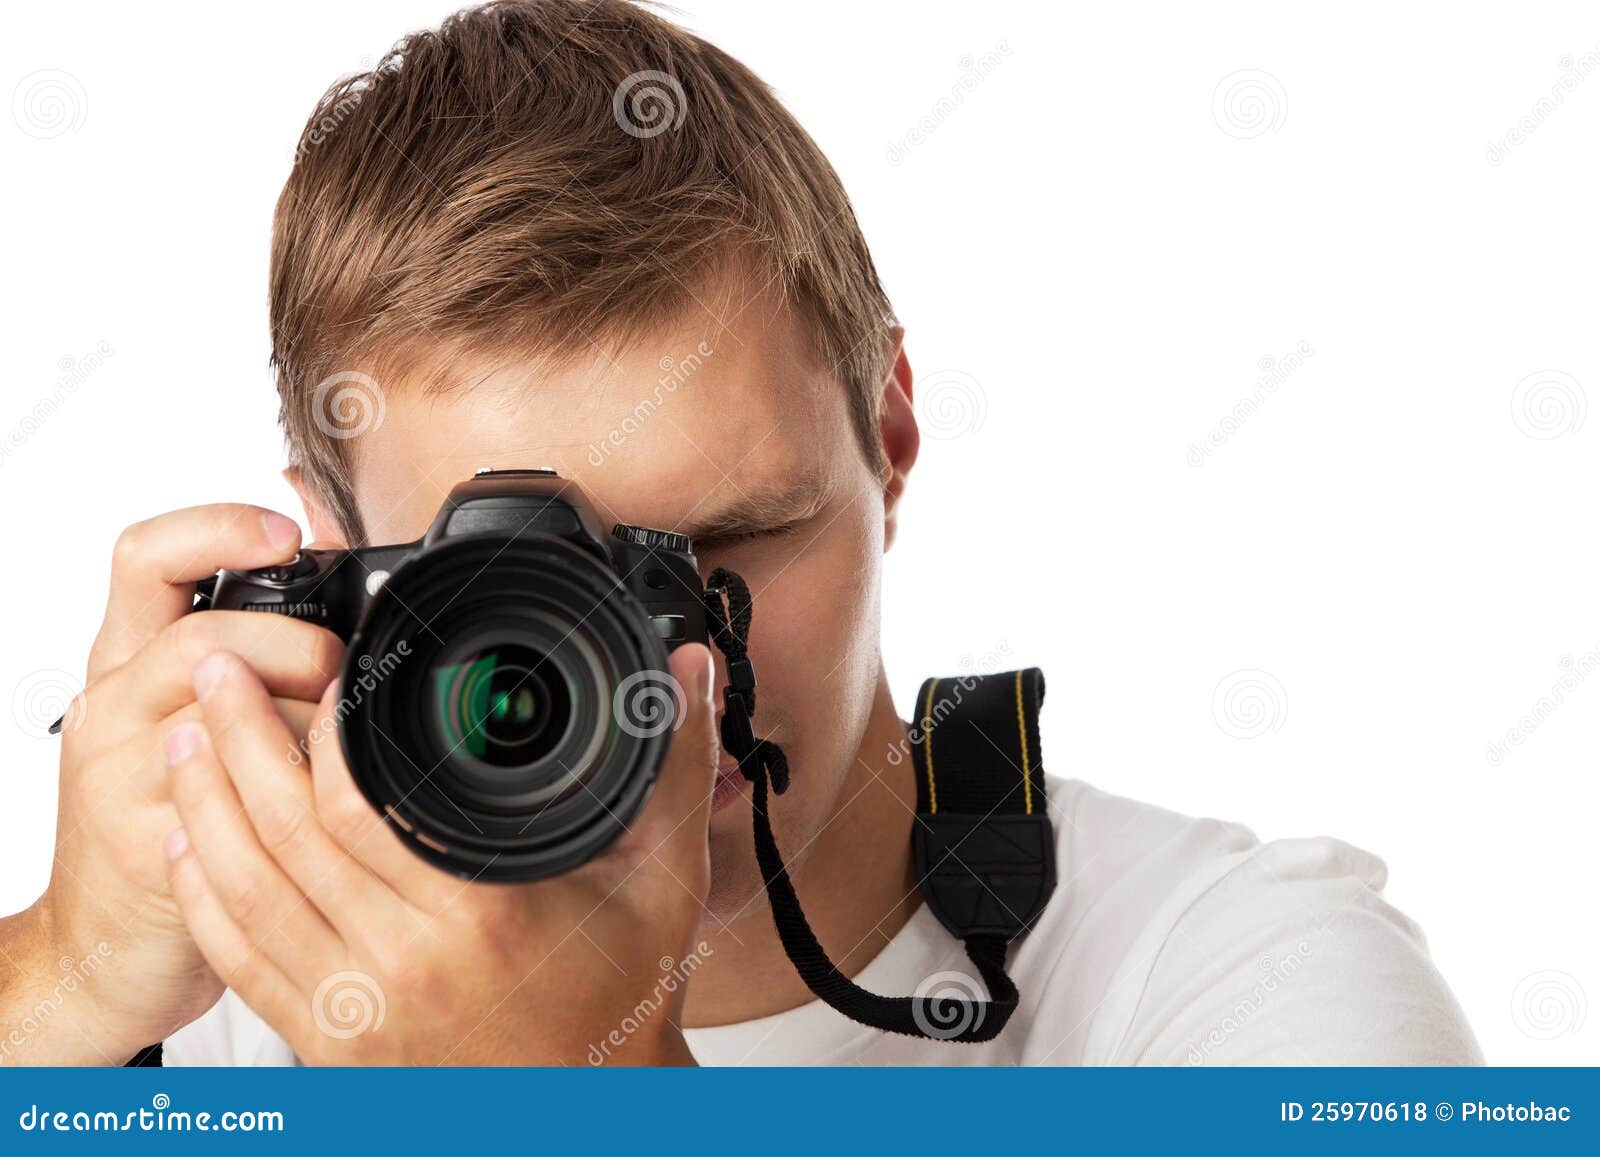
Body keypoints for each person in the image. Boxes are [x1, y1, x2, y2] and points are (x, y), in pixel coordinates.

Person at [0, 0, 1481, 1066]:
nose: (666, 674)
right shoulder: (224, 991)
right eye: (526, 583)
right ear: (335, 553)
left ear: (889, 439)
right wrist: (69, 981)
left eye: (731, 546)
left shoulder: (1234, 975)